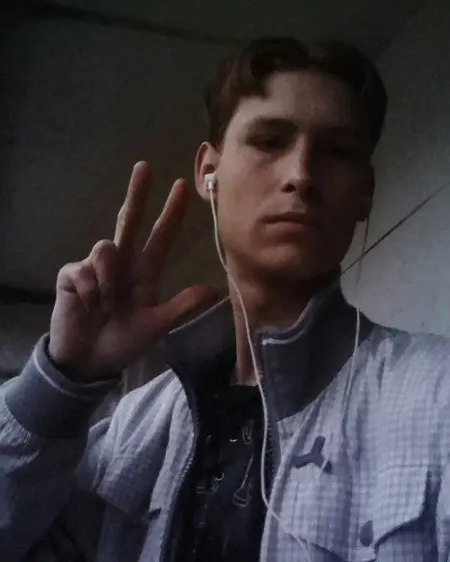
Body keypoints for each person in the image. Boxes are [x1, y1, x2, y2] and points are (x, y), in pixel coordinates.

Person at [1, 37, 449, 562]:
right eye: (269, 141)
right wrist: (62, 383)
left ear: (365, 191)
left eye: (338, 152)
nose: (301, 176)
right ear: (207, 171)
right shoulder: (134, 429)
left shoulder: (436, 398)